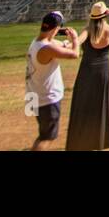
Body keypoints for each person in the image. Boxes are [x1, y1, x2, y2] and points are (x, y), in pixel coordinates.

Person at [66, 1, 109, 151]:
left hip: (87, 71)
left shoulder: (88, 31)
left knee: (83, 105)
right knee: (100, 105)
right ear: (104, 15)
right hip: (103, 71)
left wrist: (67, 40)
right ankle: (100, 140)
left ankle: (80, 139)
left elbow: (74, 44)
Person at [26, 10, 80, 151]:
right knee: (47, 137)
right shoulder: (47, 48)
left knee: (43, 132)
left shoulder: (37, 42)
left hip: (33, 96)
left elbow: (60, 46)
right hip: (47, 99)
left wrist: (69, 41)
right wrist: (74, 39)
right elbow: (74, 54)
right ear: (56, 28)